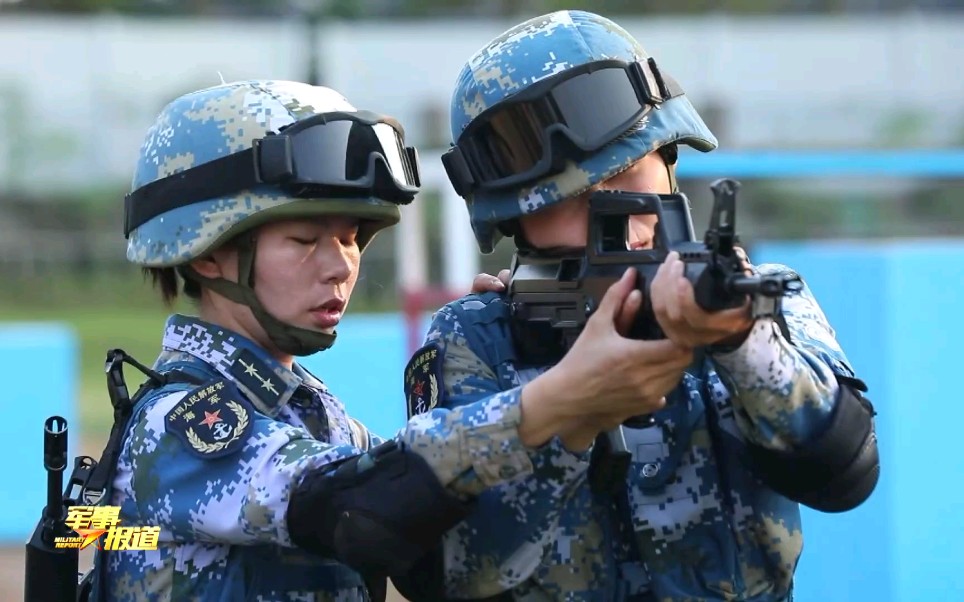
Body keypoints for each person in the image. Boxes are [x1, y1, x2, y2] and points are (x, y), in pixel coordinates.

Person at [75, 79, 694, 602]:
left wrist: (530, 356)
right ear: (208, 255)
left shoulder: (307, 412)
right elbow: (362, 512)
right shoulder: (181, 422)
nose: (341, 266)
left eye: (349, 238)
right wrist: (557, 400)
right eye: (304, 240)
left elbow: (434, 556)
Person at [403, 10, 880, 601]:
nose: (623, 221)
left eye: (631, 175)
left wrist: (741, 344)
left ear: (669, 161)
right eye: (575, 201)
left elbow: (844, 472)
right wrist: (563, 412)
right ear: (515, 219)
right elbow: (452, 571)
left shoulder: (754, 297)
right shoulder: (480, 337)